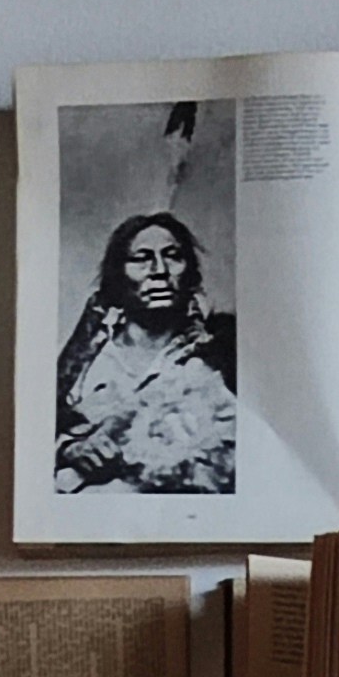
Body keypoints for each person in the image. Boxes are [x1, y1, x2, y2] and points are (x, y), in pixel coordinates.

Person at [54, 212, 236, 496]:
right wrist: (69, 447)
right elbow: (35, 432)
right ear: (118, 275)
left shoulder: (220, 356)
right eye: (141, 258)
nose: (159, 269)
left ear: (189, 272)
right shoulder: (90, 359)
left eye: (173, 256)